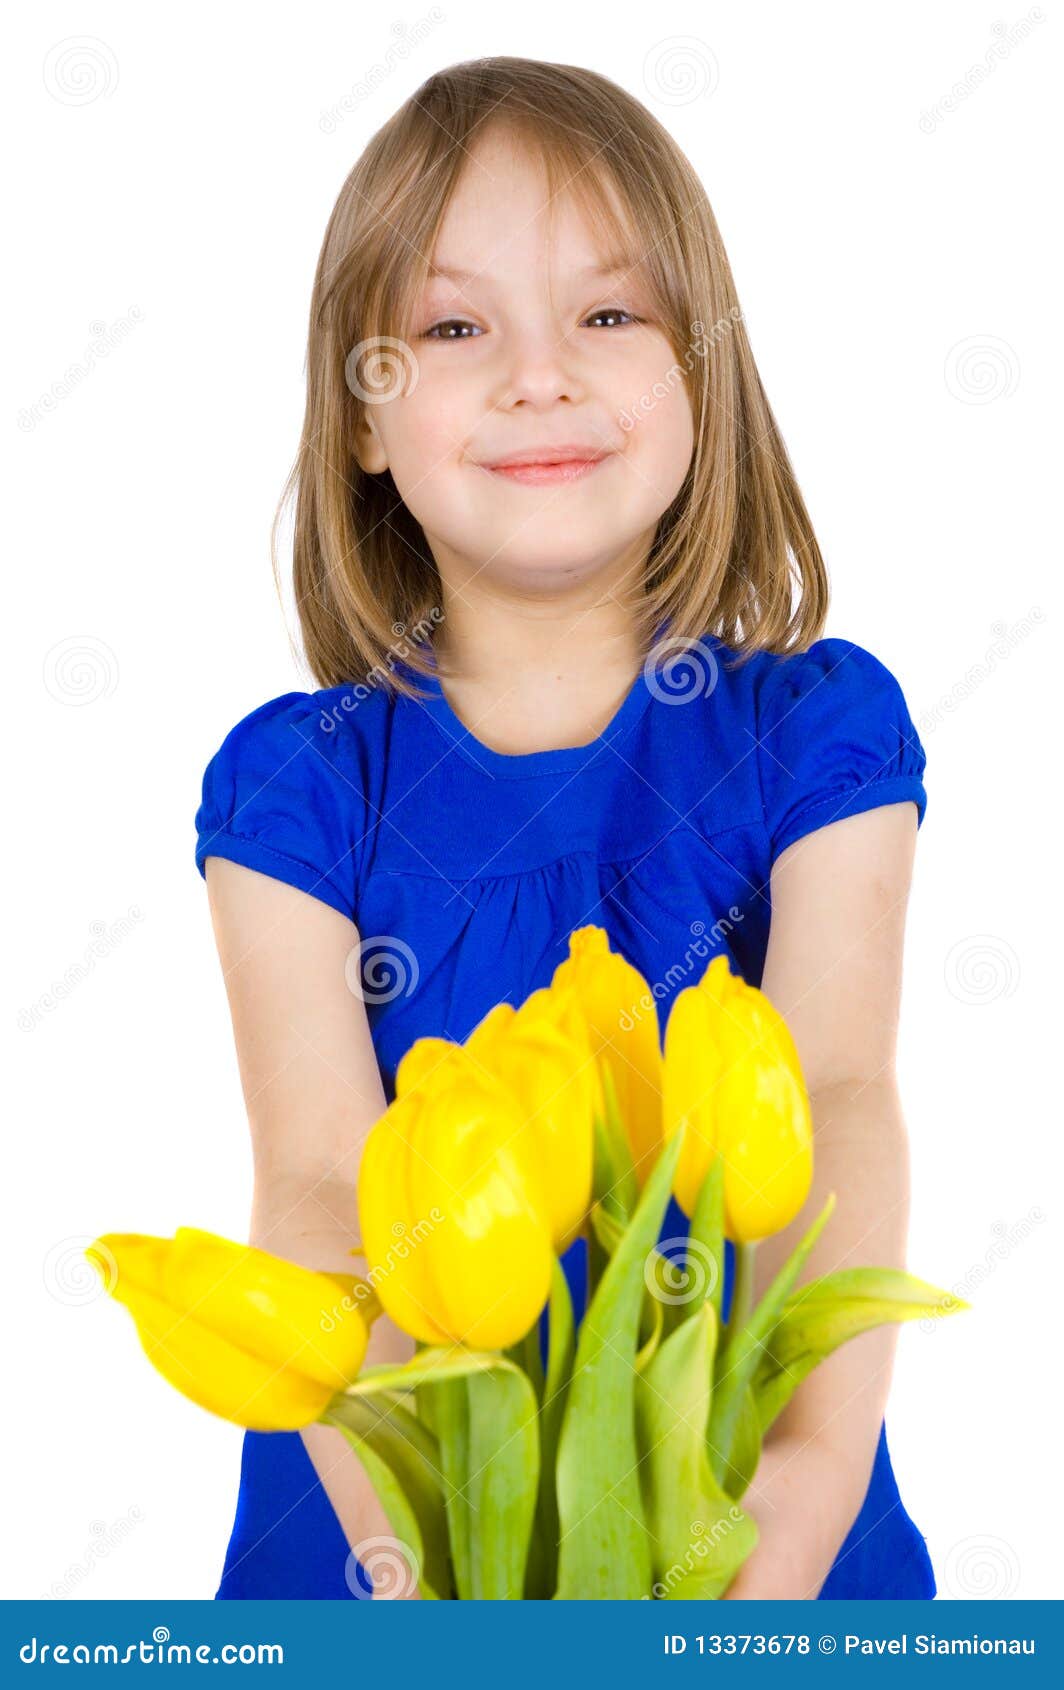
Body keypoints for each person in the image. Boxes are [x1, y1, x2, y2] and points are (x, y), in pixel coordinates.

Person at [195, 56, 933, 1601]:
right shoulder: (301, 787)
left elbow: (840, 1092)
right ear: (365, 427)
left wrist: (801, 1487)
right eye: (456, 330)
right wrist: (422, 1544)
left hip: (760, 1537)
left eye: (610, 316)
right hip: (376, 1544)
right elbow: (321, 1178)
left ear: (699, 380)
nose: (541, 376)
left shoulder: (812, 737)